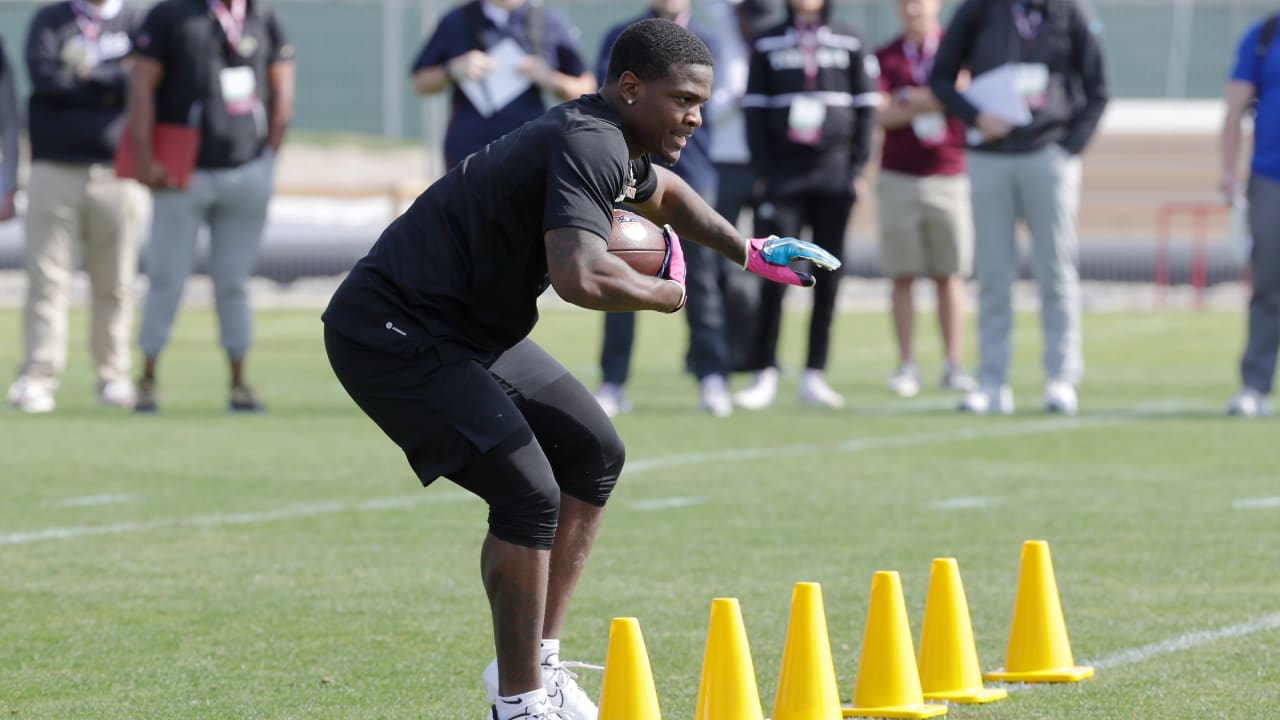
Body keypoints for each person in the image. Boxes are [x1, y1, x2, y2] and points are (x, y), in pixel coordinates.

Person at [321, 19, 838, 720]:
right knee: (528, 492)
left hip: (469, 329)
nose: (694, 117)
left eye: (701, 103)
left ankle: (539, 663)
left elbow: (667, 196)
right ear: (631, 88)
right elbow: (579, 276)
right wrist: (665, 292)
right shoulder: (590, 141)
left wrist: (746, 251)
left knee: (595, 451)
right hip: (392, 329)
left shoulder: (614, 139)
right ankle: (519, 701)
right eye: (683, 99)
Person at [929, 0, 1108, 415]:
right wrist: (976, 117)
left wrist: (1068, 148)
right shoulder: (978, 9)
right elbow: (940, 78)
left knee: (1055, 270)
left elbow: (1100, 87)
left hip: (1048, 154)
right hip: (990, 155)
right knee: (993, 274)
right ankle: (991, 381)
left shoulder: (1069, 10)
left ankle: (1061, 378)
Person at [125, 0, 295, 413]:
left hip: (245, 168)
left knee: (234, 281)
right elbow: (141, 86)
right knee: (166, 276)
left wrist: (268, 157)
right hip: (183, 172)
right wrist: (145, 156)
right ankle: (147, 377)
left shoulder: (263, 16)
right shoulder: (170, 14)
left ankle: (239, 381)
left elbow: (283, 89)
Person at [591, 0, 734, 419]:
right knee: (617, 268)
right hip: (628, 172)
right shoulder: (623, 37)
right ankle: (613, 381)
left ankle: (712, 376)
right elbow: (609, 102)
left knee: (702, 280)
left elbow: (710, 106)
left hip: (692, 173)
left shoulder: (707, 40)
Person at [734, 0, 878, 410]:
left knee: (828, 275)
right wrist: (763, 172)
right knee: (774, 271)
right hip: (783, 179)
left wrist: (857, 169)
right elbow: (754, 112)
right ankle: (764, 371)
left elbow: (866, 111)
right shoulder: (767, 42)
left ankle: (815, 373)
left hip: (834, 176)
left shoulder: (851, 40)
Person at [6, 0, 148, 415]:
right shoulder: (51, 19)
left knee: (116, 282)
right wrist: (108, 81)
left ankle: (114, 376)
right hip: (54, 168)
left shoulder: (135, 20)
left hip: (117, 172)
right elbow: (47, 80)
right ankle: (38, 375)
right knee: (47, 278)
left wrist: (87, 75)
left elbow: (137, 80)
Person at [874, 0, 975, 398]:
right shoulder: (886, 55)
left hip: (949, 174)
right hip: (898, 176)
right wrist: (940, 96)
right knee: (902, 274)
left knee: (949, 274)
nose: (912, 9)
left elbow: (968, 97)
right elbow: (881, 115)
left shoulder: (957, 47)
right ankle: (906, 366)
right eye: (905, 2)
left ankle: (953, 364)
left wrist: (908, 100)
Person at [410, 0, 596, 171]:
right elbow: (419, 82)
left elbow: (587, 88)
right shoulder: (456, 20)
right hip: (467, 154)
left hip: (529, 152)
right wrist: (452, 70)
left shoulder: (548, 21)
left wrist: (550, 78)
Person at [1221, 13, 1280, 418]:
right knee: (1268, 284)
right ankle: (1255, 384)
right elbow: (1234, 108)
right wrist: (1228, 172)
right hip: (1270, 177)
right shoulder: (1264, 36)